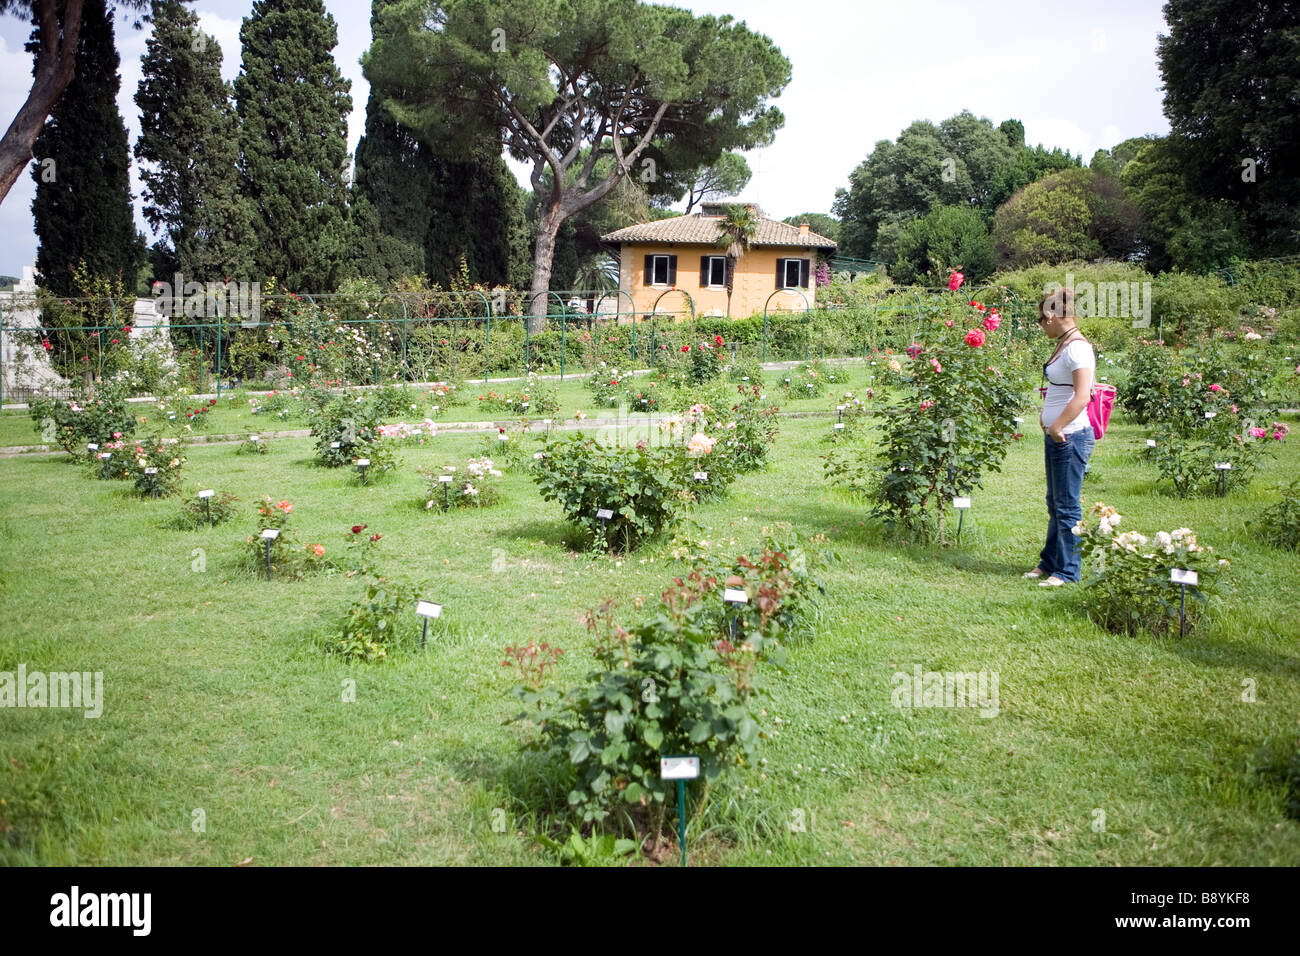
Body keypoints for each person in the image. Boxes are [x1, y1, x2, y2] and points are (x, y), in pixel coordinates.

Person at [1024, 288, 1095, 586]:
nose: (1040, 325)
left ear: (1052, 316)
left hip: (1071, 435)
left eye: (1041, 319)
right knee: (1055, 502)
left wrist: (1057, 426)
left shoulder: (1078, 348)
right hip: (1058, 435)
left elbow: (1082, 396)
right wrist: (1046, 418)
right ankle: (1050, 562)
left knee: (1067, 506)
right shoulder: (1064, 344)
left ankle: (1067, 572)